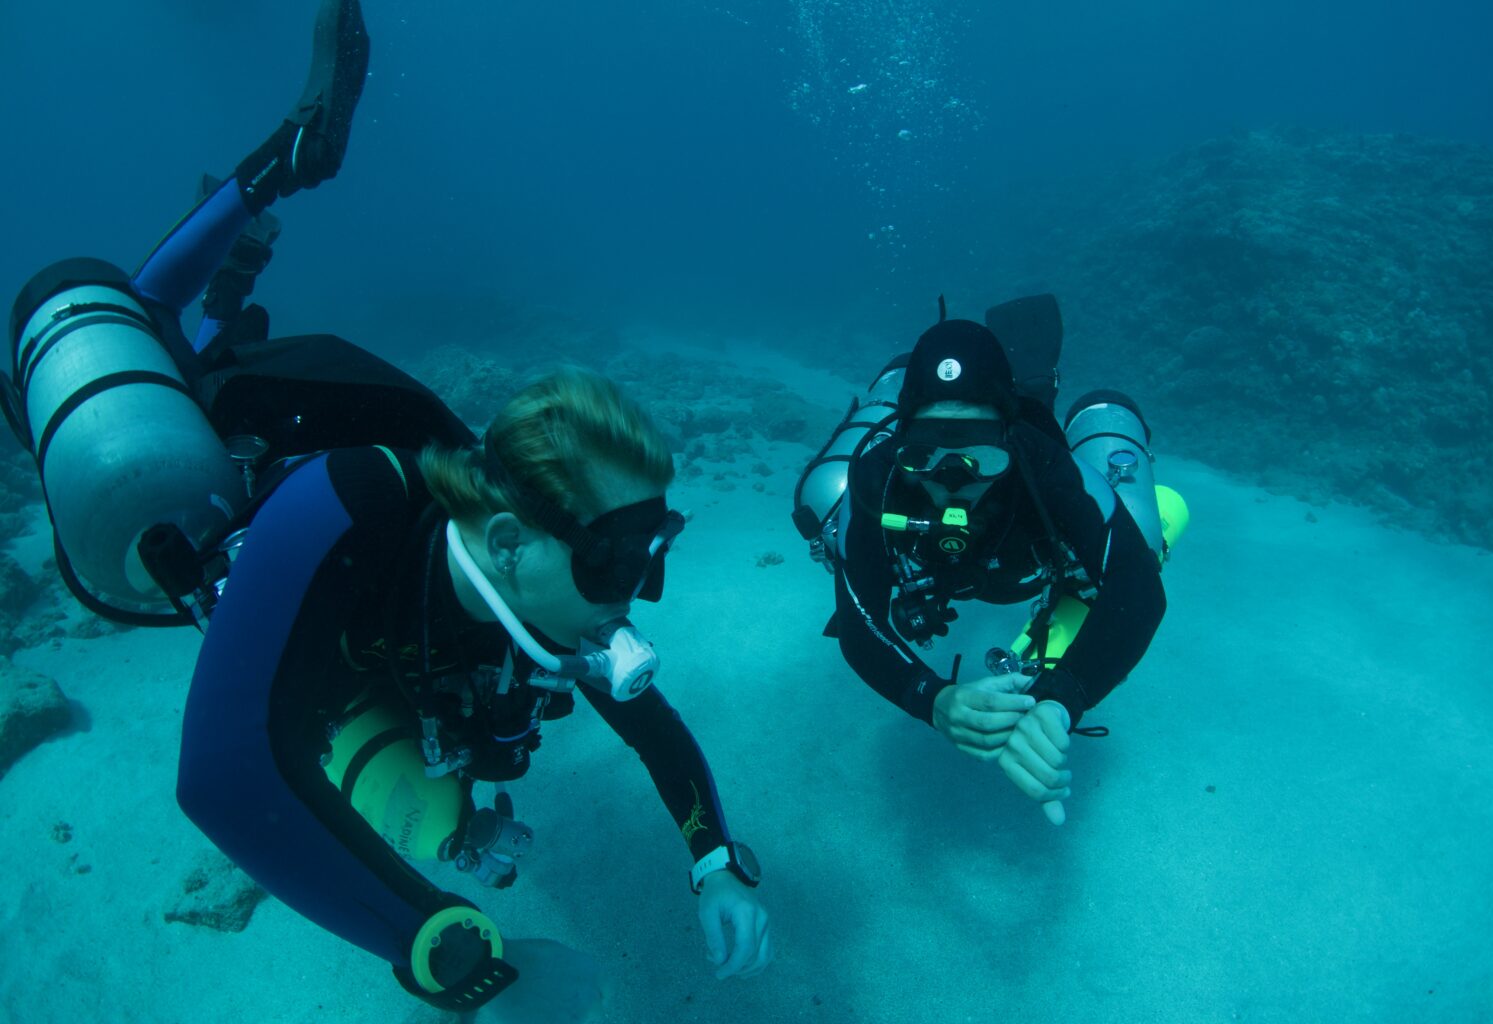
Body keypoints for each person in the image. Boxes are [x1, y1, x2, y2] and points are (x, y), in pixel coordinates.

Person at [4, 1, 771, 1015]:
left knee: (185, 333)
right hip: (232, 470)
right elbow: (222, 774)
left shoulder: (544, 580)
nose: (640, 595)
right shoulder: (336, 513)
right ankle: (270, 181)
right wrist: (443, 949)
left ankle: (234, 277)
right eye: (618, 560)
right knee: (164, 343)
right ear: (507, 538)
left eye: (652, 549)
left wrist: (716, 861)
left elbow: (653, 728)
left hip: (412, 587)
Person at [794, 307, 1174, 825]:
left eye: (980, 454)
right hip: (944, 562)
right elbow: (859, 621)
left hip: (1030, 559)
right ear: (901, 439)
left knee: (1140, 538)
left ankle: (1039, 384)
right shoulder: (876, 476)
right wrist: (932, 699)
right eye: (923, 453)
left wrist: (1062, 697)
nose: (953, 478)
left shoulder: (1045, 465)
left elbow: (1138, 586)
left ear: (1009, 441)